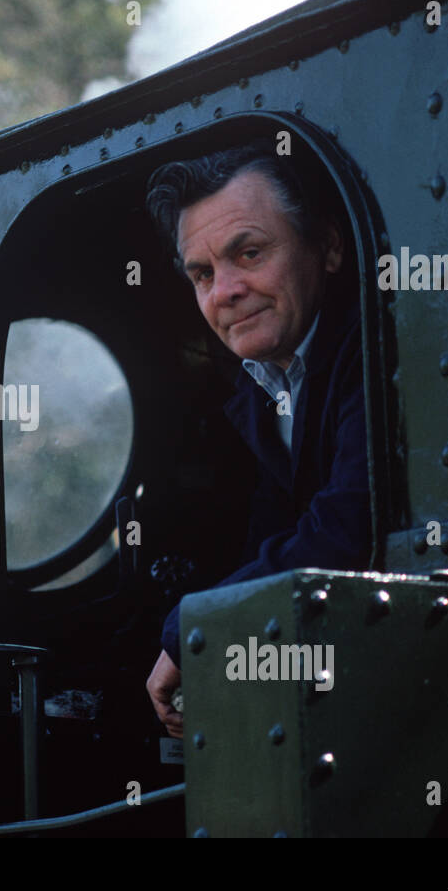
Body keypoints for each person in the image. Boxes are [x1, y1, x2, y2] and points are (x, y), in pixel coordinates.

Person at [142, 141, 371, 738]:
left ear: (328, 248)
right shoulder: (258, 393)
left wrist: (190, 631)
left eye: (249, 253)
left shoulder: (376, 353)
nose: (225, 292)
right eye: (203, 274)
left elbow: (346, 531)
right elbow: (269, 548)